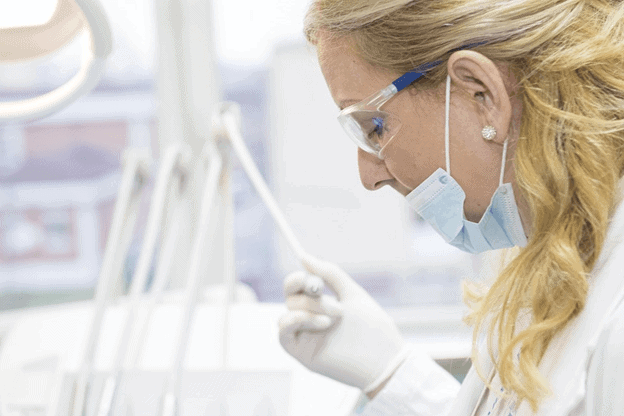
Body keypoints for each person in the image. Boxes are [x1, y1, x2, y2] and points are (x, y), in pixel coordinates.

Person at [277, 0, 624, 415]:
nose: (368, 177)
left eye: (375, 126)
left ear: (482, 95)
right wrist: (393, 371)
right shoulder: (559, 242)